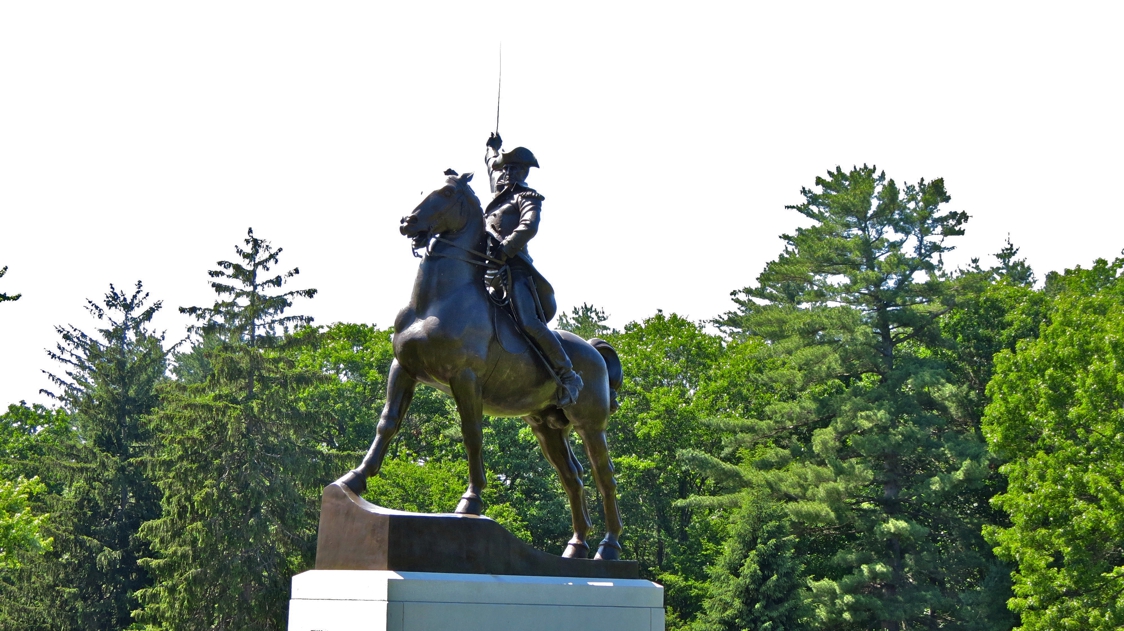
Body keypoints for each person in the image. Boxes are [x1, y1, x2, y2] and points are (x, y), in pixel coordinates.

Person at [484, 132, 583, 407]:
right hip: (488, 269)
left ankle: (568, 374)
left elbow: (529, 227)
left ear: (524, 171)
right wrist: (493, 148)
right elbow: (491, 165)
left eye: (514, 168)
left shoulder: (527, 197)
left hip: (515, 268)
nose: (507, 172)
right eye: (507, 168)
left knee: (528, 321)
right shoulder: (499, 194)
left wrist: (505, 249)